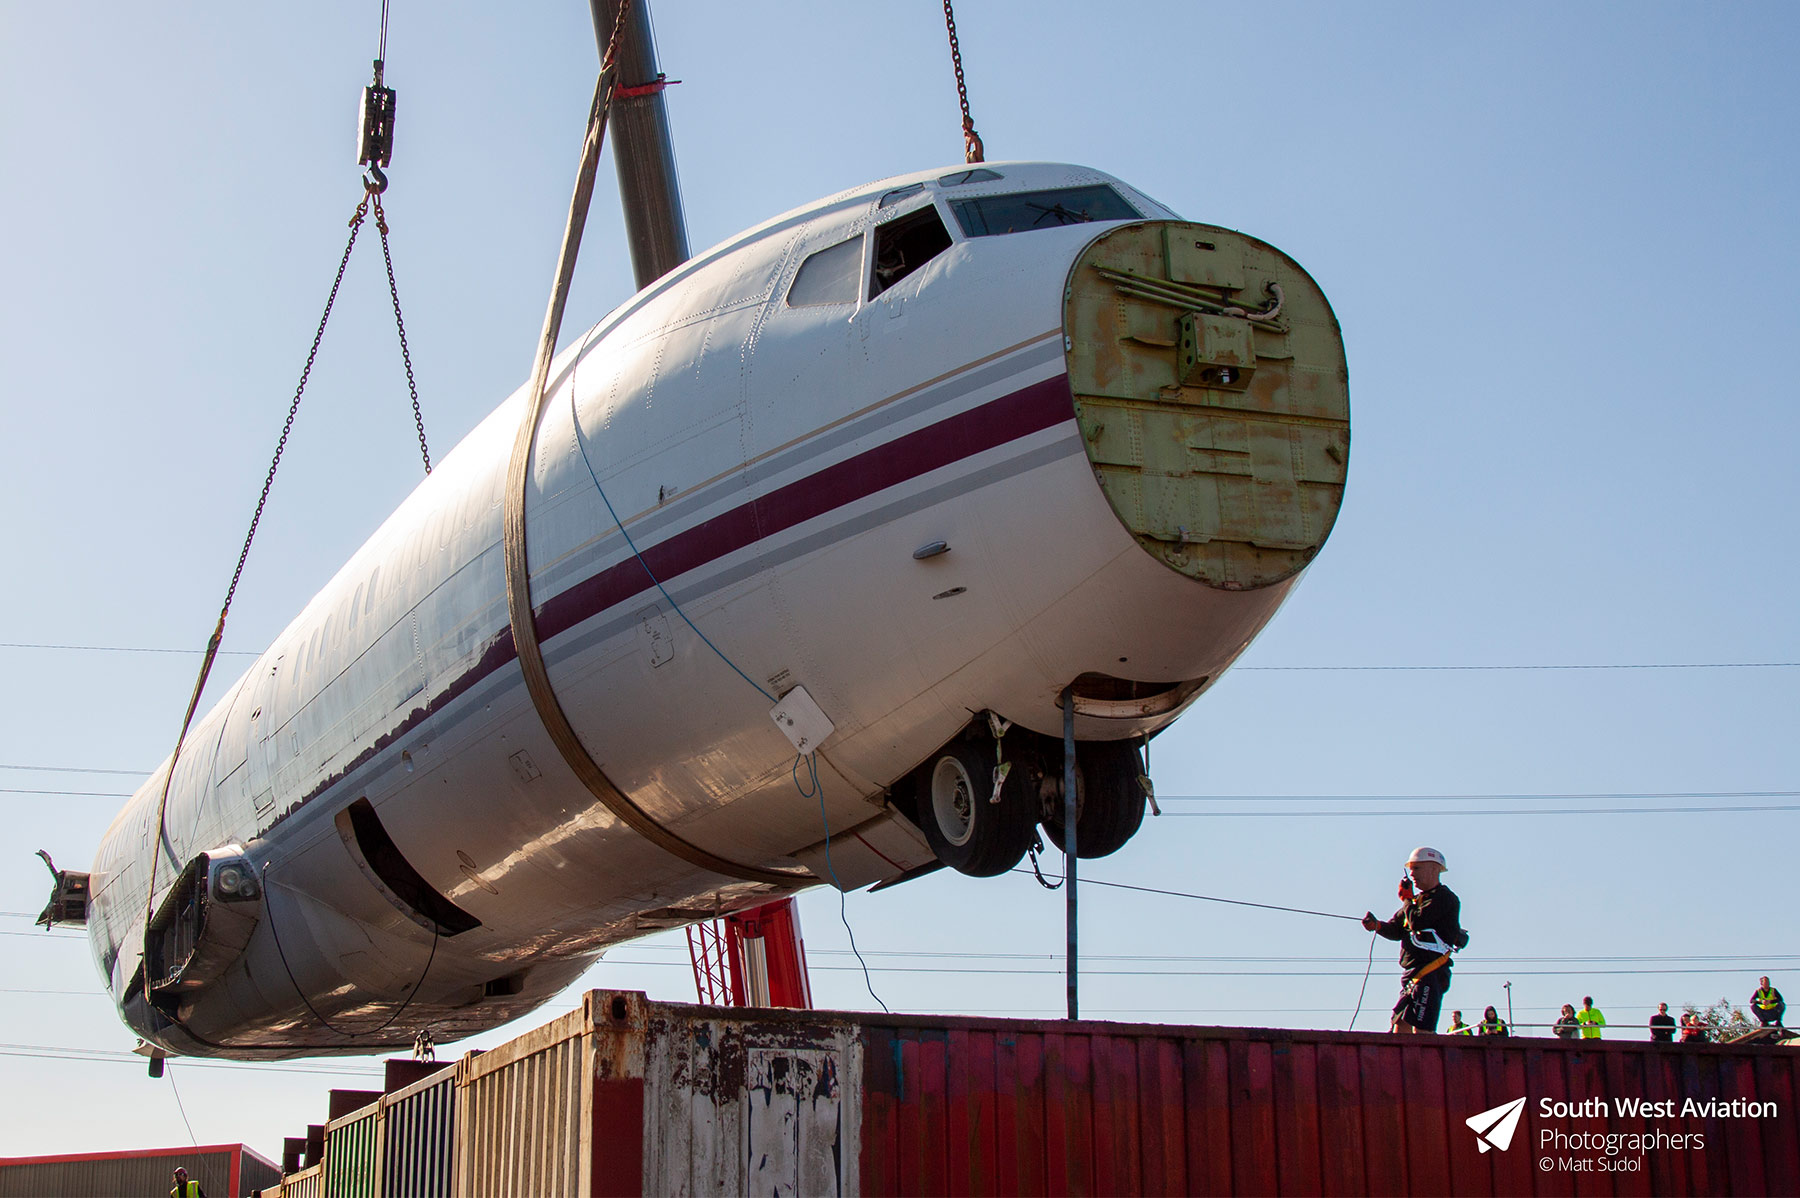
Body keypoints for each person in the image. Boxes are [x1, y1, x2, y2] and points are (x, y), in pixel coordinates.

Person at [1361, 846, 1469, 1034]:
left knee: (1422, 1030)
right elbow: (1396, 929)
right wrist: (1377, 926)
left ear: (1434, 869)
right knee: (1399, 1027)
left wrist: (1407, 900)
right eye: (1411, 869)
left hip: (1430, 973)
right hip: (1412, 975)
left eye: (1417, 868)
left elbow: (1418, 921)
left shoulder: (1445, 898)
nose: (1412, 874)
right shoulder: (1414, 902)